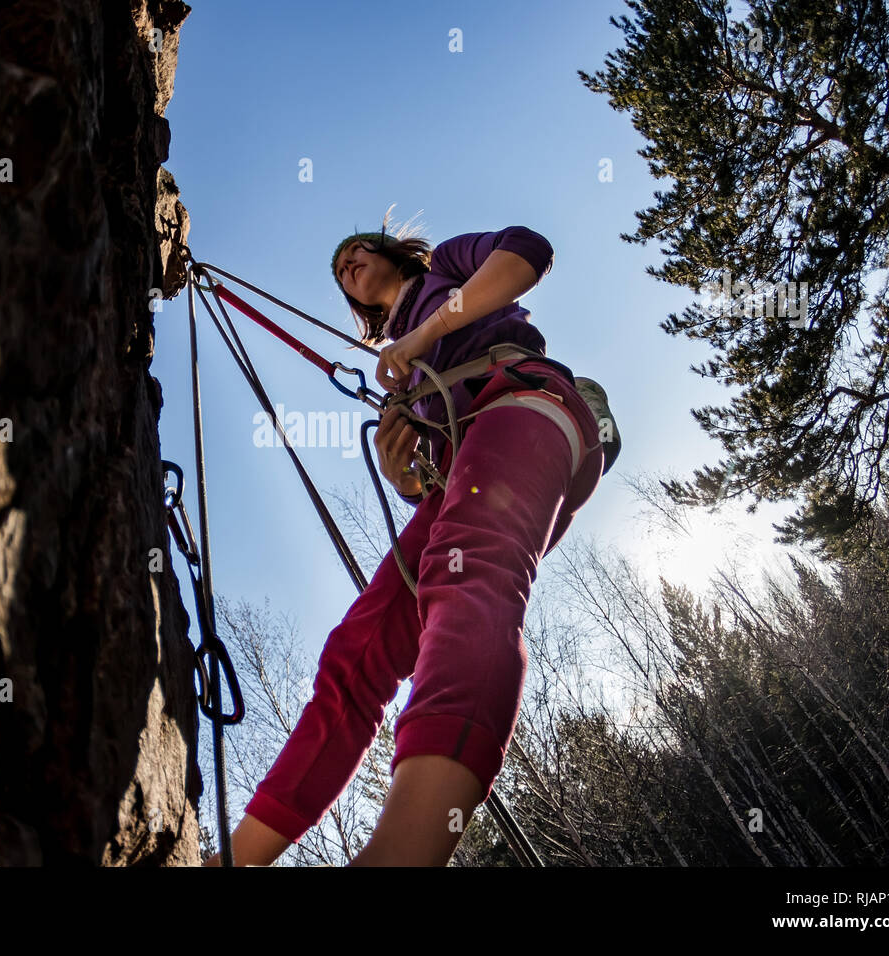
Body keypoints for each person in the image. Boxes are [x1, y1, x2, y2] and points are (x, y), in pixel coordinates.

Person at [202, 211, 605, 867]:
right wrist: (407, 477)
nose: (348, 266)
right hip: (465, 472)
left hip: (526, 406)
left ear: (391, 252)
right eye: (339, 271)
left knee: (469, 575)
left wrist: (426, 333)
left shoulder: (444, 268)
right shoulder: (395, 370)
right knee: (356, 650)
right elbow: (432, 471)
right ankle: (238, 859)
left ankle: (402, 852)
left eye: (355, 251)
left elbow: (528, 251)